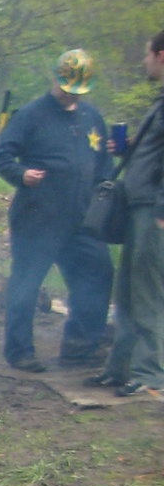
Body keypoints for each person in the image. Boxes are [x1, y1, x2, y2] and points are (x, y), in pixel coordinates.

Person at [0, 49, 115, 373]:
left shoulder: (91, 118)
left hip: (81, 219)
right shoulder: (31, 115)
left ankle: (81, 347)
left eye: (76, 91)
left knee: (97, 273)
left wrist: (104, 193)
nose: (68, 96)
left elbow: (103, 163)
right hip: (38, 217)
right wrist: (22, 175)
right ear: (55, 79)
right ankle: (19, 351)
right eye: (65, 88)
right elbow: (2, 156)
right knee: (26, 284)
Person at [95, 30, 164, 400]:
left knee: (149, 293)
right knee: (127, 291)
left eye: (146, 54)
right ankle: (120, 369)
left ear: (161, 55)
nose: (143, 61)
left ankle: (150, 373)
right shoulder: (159, 101)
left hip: (155, 214)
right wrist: (129, 152)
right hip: (139, 207)